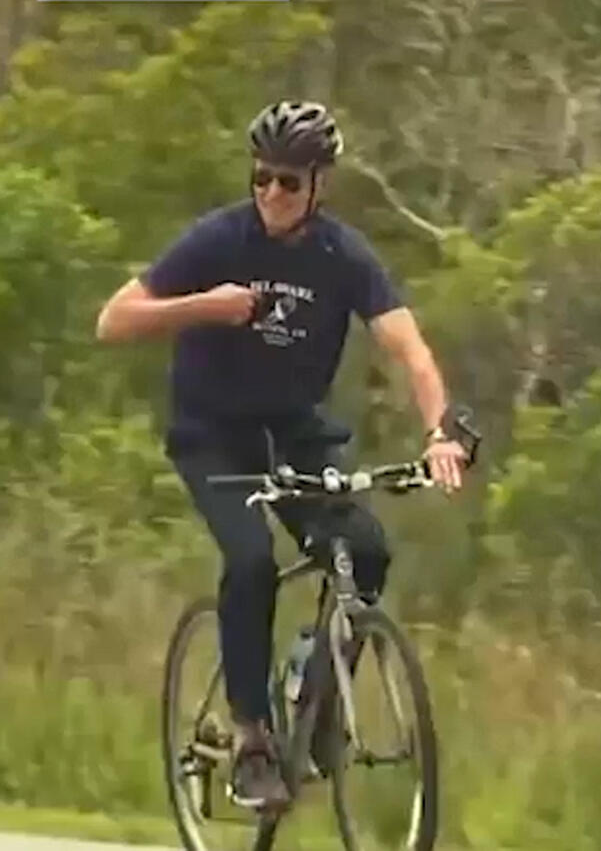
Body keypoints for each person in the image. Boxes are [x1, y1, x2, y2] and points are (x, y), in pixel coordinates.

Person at [94, 100, 470, 810]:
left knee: (367, 550)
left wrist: (438, 431)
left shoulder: (343, 256)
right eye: (262, 177)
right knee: (251, 561)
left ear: (319, 185)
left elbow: (408, 349)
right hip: (212, 432)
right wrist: (203, 306)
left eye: (289, 182)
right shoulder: (218, 239)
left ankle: (316, 685)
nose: (271, 194)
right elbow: (114, 321)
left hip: (293, 430)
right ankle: (252, 739)